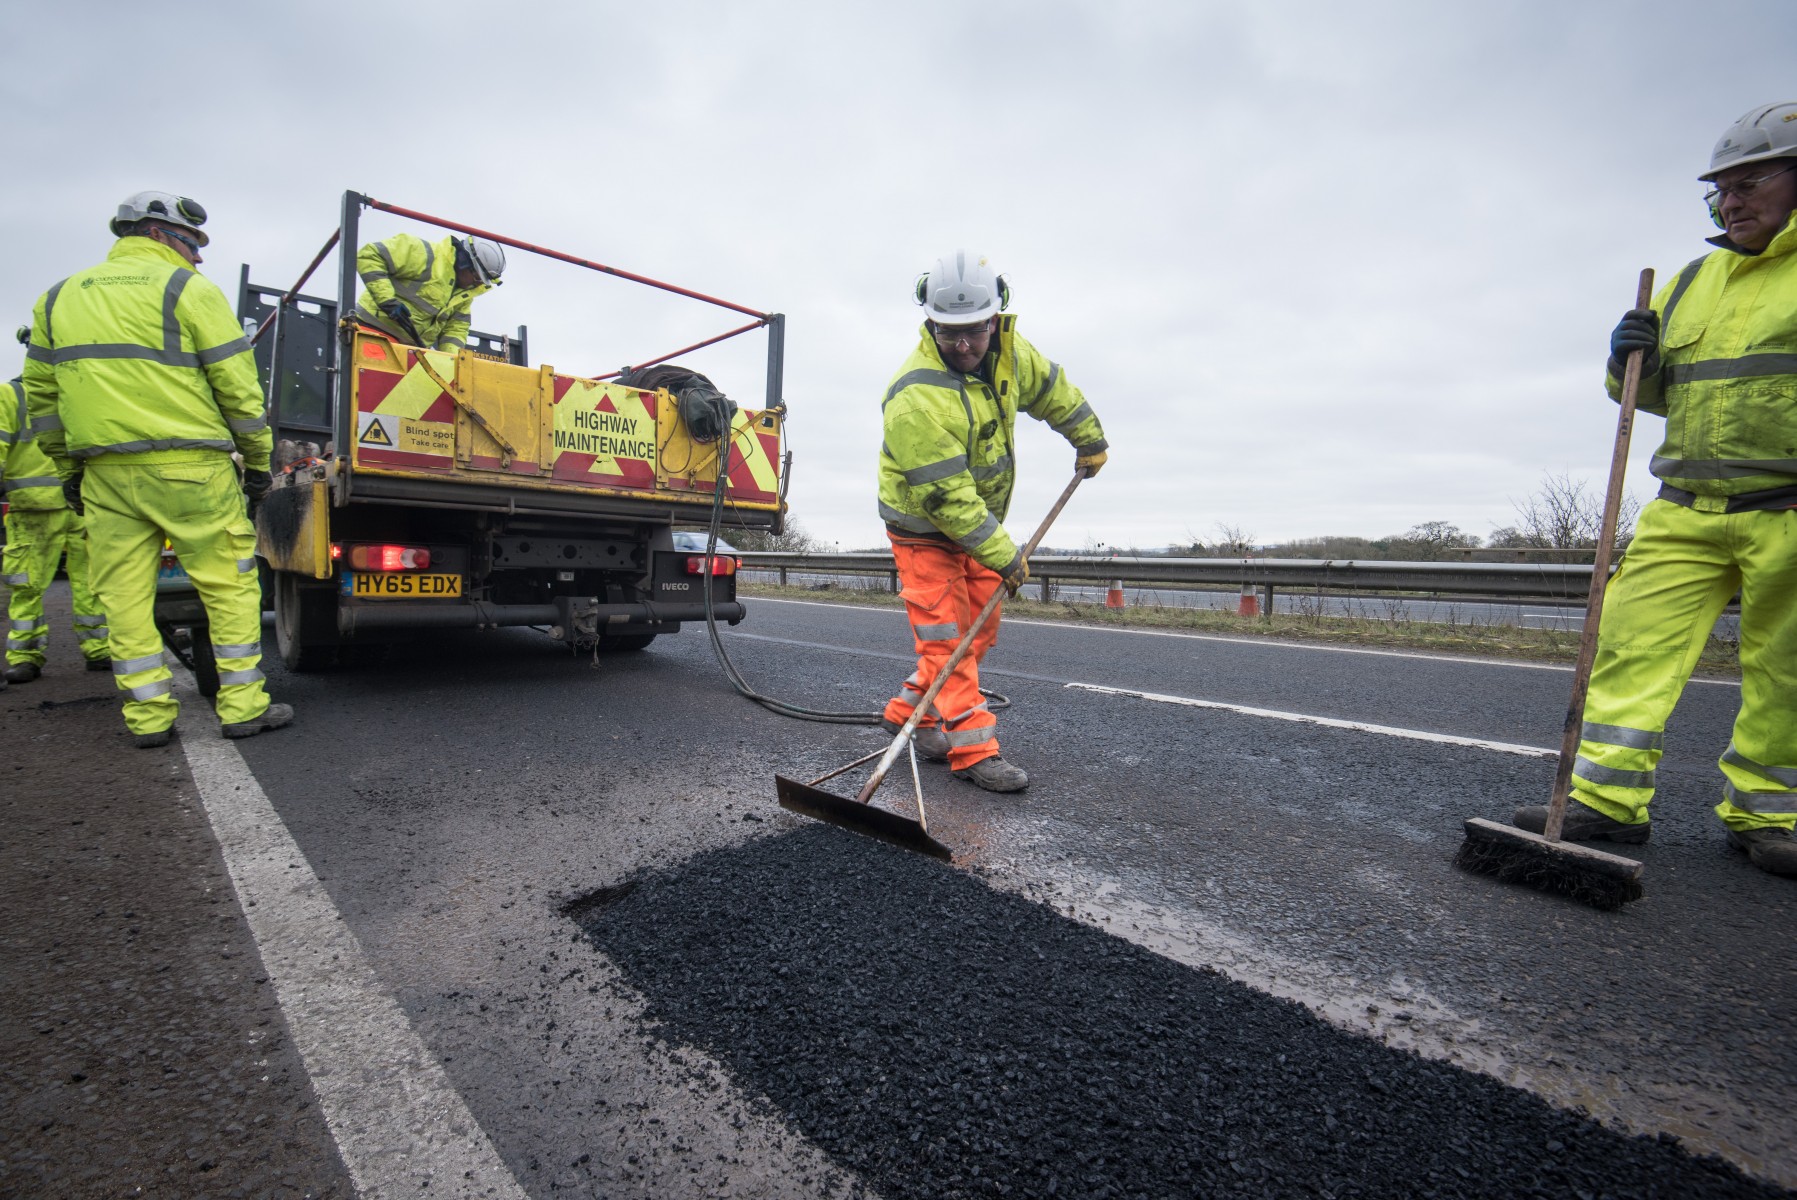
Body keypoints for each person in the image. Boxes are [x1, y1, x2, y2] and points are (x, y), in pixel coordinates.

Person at [1512, 103, 1797, 878]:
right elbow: (1652, 392)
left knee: (1787, 672)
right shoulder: (1690, 282)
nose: (1730, 202)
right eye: (1719, 192)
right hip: (1685, 509)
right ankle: (1603, 803)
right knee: (1630, 646)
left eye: (1747, 183)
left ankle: (1769, 819)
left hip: (1790, 513)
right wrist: (1623, 360)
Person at [22, 191, 292, 747]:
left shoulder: (55, 300)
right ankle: (242, 707)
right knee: (230, 587)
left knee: (122, 596)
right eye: (192, 244)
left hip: (103, 474)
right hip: (192, 466)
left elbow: (43, 401)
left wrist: (67, 469)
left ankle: (149, 719)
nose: (197, 257)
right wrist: (259, 465)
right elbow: (239, 391)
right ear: (157, 234)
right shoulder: (187, 291)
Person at [876, 251, 1108, 792]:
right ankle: (975, 751)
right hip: (924, 530)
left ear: (994, 318)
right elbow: (947, 497)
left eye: (975, 330)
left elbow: (1052, 390)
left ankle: (911, 714)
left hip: (978, 525)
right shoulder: (915, 396)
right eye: (950, 331)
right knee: (948, 639)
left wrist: (1088, 437)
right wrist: (1004, 553)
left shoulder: (1008, 353)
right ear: (930, 322)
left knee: (977, 633)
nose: (964, 345)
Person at [1, 328, 109, 683]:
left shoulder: (13, 395)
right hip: (67, 504)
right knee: (41, 585)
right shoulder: (21, 396)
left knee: (75, 583)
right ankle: (90, 650)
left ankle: (32, 656)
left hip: (60, 505)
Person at [353, 231, 504, 351]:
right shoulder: (424, 254)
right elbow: (369, 255)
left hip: (410, 350)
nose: (476, 285)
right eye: (477, 278)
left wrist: (453, 364)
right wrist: (387, 301)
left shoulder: (464, 294)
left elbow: (455, 331)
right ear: (465, 262)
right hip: (374, 332)